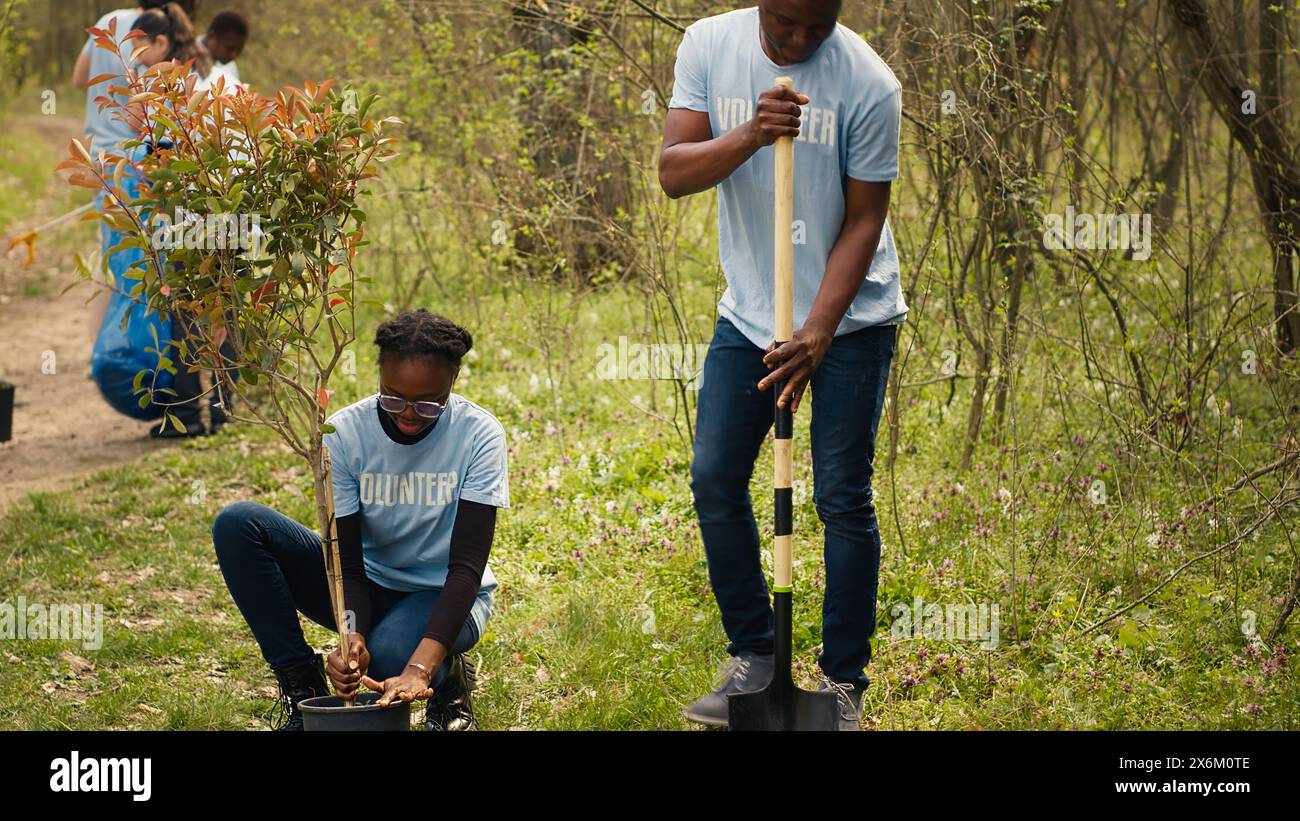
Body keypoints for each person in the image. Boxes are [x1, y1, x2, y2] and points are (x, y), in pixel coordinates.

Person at [658, 0, 905, 730]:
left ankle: (840, 683)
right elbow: (673, 172)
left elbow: (866, 217)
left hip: (851, 322)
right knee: (714, 475)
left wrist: (820, 329)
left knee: (840, 496)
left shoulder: (869, 82)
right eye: (785, 26)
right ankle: (756, 657)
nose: (799, 41)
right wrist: (751, 133)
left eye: (816, 27)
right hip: (752, 313)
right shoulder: (707, 45)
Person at [212, 310, 509, 731]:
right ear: (379, 379)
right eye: (392, 397)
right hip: (367, 585)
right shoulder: (345, 433)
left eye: (427, 403)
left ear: (452, 385)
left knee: (390, 659)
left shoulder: (479, 435)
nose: (407, 414)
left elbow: (465, 570)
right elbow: (347, 563)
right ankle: (303, 691)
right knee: (239, 525)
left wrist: (419, 669)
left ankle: (448, 675)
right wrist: (352, 638)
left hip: (441, 596)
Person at [198, 10, 248, 84]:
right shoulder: (185, 57)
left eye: (239, 50)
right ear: (212, 37)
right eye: (230, 49)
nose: (234, 55)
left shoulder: (231, 69)